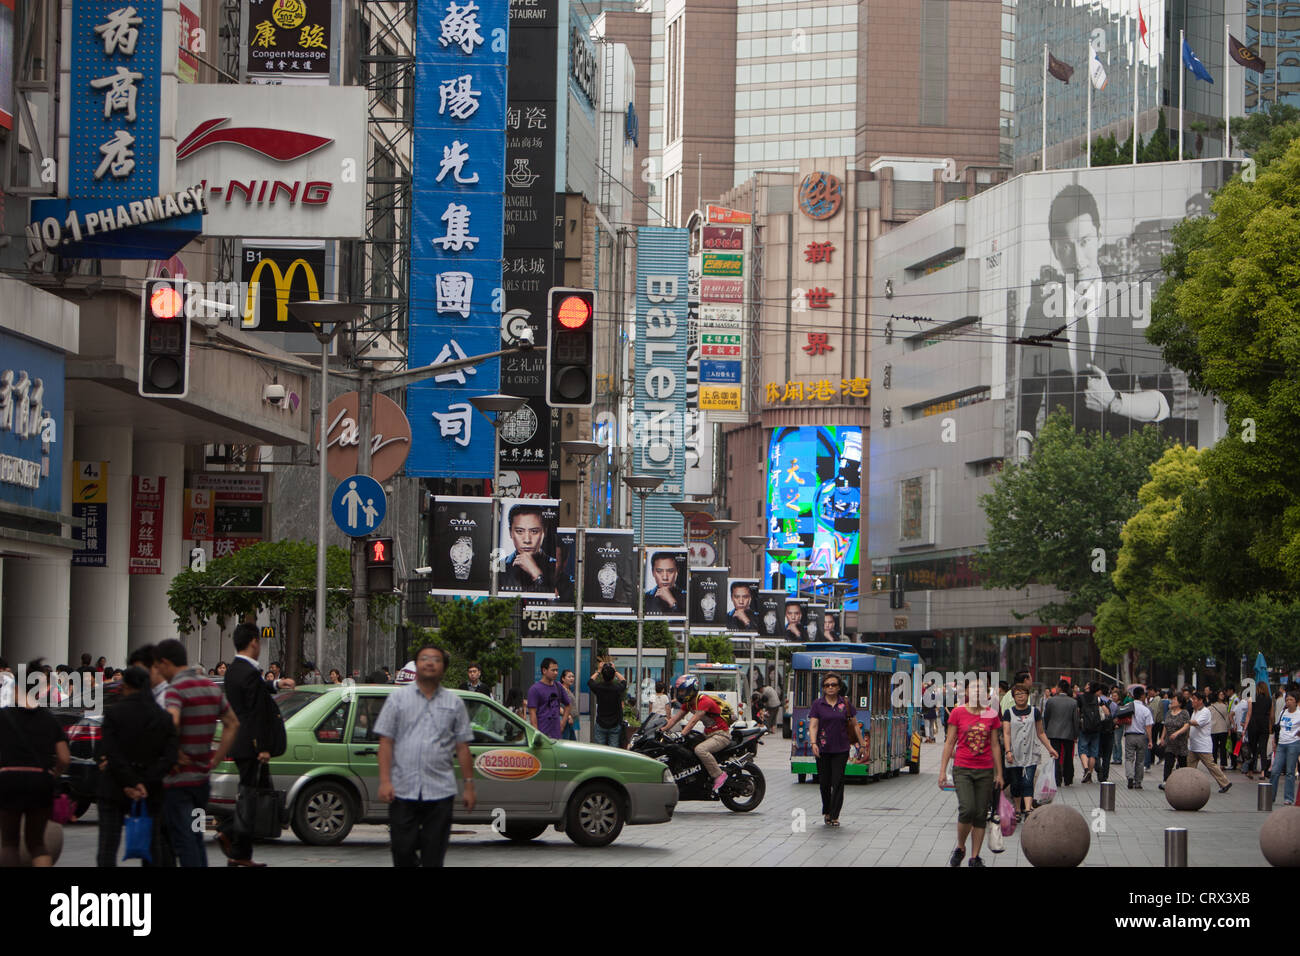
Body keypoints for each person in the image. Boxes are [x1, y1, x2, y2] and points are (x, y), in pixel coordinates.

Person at [1018, 182, 1180, 441]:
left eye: (1084, 242)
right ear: (1054, 248)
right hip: (1060, 465)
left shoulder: (1133, 305)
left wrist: (1115, 401)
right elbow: (1025, 415)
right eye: (1066, 246)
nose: (1078, 258)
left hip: (1122, 462)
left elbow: (1163, 402)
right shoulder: (1038, 315)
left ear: (1099, 236)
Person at [374, 644, 475, 868]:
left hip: (440, 791)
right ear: (416, 665)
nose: (430, 662)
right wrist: (385, 781)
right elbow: (386, 741)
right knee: (402, 849)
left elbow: (462, 747)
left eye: (436, 659)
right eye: (424, 658)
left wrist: (468, 785)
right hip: (402, 790)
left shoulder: (454, 703)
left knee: (434, 855)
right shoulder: (397, 699)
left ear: (443, 668)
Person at [216, 623, 294, 868]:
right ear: (253, 642)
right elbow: (255, 712)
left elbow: (256, 693)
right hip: (251, 745)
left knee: (253, 794)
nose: (259, 646)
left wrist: (275, 685)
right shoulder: (248, 672)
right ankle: (231, 836)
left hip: (242, 743)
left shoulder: (235, 670)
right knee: (252, 797)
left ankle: (240, 851)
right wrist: (261, 746)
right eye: (259, 642)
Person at [156, 638, 239, 868]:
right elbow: (232, 723)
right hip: (201, 783)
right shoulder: (211, 688)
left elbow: (171, 722)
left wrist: (172, 752)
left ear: (166, 662)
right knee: (194, 835)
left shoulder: (175, 690)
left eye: (159, 667)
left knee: (183, 841)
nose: (160, 673)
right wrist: (216, 759)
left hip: (179, 784)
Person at [95, 665, 178, 867]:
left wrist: (129, 781)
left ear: (126, 686)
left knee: (108, 846)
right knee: (152, 846)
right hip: (150, 789)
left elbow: (109, 752)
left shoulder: (114, 713)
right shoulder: (163, 717)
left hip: (115, 785)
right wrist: (145, 783)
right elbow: (169, 757)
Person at [0, 660, 70, 867]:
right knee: (37, 842)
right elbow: (64, 757)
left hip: (9, 780)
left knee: (9, 842)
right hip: (40, 781)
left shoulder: (3, 717)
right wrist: (53, 774)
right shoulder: (49, 719)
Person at [939, 680, 1004, 868]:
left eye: (981, 689)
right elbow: (950, 742)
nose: (977, 692)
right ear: (967, 692)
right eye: (974, 689)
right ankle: (960, 847)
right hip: (963, 768)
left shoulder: (991, 714)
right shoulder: (958, 713)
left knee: (980, 814)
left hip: (985, 770)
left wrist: (999, 773)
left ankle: (975, 857)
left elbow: (994, 745)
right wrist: (942, 771)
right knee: (967, 809)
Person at [808, 671, 865, 826]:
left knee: (838, 782)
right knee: (824, 783)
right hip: (823, 749)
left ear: (839, 687)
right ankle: (826, 810)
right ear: (823, 688)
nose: (830, 687)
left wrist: (862, 744)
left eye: (833, 685)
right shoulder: (817, 704)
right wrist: (813, 743)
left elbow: (855, 725)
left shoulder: (845, 704)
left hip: (841, 748)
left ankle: (834, 816)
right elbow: (813, 725)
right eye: (827, 685)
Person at [661, 674, 732, 791]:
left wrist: (681, 734)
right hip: (709, 734)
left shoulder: (704, 701)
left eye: (683, 691)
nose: (680, 694)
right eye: (679, 691)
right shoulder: (689, 703)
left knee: (700, 750)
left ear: (691, 689)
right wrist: (661, 730)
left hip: (721, 734)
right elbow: (674, 719)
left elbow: (693, 721)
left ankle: (719, 775)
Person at [1002, 684, 1057, 819]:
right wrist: (1008, 751)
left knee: (1028, 781)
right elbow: (1007, 733)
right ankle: (1017, 809)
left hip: (1031, 752)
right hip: (1014, 754)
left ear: (1028, 696)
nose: (1021, 697)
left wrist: (1050, 748)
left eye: (1023, 694)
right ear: (1014, 697)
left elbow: (1040, 732)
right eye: (1018, 694)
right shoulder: (1009, 713)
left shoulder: (1035, 712)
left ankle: (1027, 809)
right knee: (1015, 783)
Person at [499, 504, 557, 592]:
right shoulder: (500, 567)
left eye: (534, 531)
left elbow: (558, 600)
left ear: (544, 532)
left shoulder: (555, 566)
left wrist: (536, 573)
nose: (527, 540)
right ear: (510, 532)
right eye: (519, 531)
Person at [1187, 690, 1232, 793]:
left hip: (1203, 746)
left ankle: (1225, 782)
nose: (1192, 701)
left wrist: (1185, 721)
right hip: (1194, 746)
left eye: (1194, 699)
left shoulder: (1205, 711)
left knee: (1211, 766)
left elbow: (1197, 723)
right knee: (1190, 767)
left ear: (1200, 700)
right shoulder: (1195, 711)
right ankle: (1190, 785)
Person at [1042, 679, 1079, 787]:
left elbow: (1046, 716)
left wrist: (1047, 729)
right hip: (1069, 732)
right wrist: (1076, 734)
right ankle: (1068, 778)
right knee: (1068, 757)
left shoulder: (1051, 701)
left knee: (1055, 755)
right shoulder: (1073, 702)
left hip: (1054, 732)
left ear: (1059, 688)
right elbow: (1075, 720)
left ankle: (1057, 779)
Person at [526, 659, 571, 739]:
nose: (556, 673)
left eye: (557, 670)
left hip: (557, 735)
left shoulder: (558, 686)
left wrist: (563, 724)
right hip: (542, 734)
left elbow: (568, 705)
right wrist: (537, 735)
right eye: (553, 670)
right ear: (544, 670)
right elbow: (532, 714)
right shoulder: (535, 689)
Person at [1269, 689, 1299, 806]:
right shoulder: (1283, 712)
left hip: (1294, 743)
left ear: (1296, 702)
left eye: (1291, 700)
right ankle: (1270, 796)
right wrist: (1275, 741)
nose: (1288, 702)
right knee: (1275, 771)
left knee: (1290, 772)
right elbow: (1278, 727)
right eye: (1287, 700)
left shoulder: (1299, 713)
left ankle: (1289, 798)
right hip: (1282, 743)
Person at [588, 663, 627, 747]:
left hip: (601, 722)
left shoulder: (598, 687)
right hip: (615, 723)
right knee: (613, 749)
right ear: (613, 677)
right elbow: (624, 681)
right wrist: (615, 671)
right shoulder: (617, 688)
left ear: (602, 676)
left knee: (600, 749)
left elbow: (590, 681)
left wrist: (598, 671)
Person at [1122, 684, 1154, 789]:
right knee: (1140, 761)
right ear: (1142, 696)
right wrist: (1150, 740)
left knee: (1129, 758)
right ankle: (1138, 782)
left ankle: (1130, 777)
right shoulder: (1146, 710)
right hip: (1141, 737)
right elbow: (1148, 727)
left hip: (1129, 736)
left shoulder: (1128, 706)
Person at [1158, 692, 1191, 790]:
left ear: (1180, 703)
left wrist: (1177, 733)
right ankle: (1166, 781)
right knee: (1168, 762)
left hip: (1181, 742)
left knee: (1182, 763)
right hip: (1170, 742)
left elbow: (1187, 725)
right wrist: (1162, 738)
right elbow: (1165, 725)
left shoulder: (1184, 713)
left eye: (1175, 700)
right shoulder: (1169, 712)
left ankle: (1185, 782)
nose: (1172, 701)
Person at [1077, 681, 1104, 783]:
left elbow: (1078, 711)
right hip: (1096, 727)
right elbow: (1104, 711)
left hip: (1084, 727)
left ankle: (1086, 770)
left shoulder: (1081, 697)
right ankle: (1090, 775)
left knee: (1082, 750)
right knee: (1093, 753)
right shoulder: (1097, 698)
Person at [1244, 684, 1273, 780]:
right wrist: (1270, 726)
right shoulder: (1269, 699)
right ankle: (1263, 772)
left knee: (1253, 749)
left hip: (1253, 724)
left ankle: (1250, 771)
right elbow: (1271, 715)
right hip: (1264, 724)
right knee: (1263, 749)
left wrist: (1245, 728)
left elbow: (1249, 713)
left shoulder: (1252, 698)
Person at [1209, 690, 1231, 769]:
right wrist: (1229, 728)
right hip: (1223, 729)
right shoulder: (1225, 706)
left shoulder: (1210, 707)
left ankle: (1214, 763)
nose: (1222, 695)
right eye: (1221, 694)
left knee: (1214, 747)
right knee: (1222, 747)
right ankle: (1223, 764)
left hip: (1213, 729)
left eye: (1223, 694)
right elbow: (1227, 718)